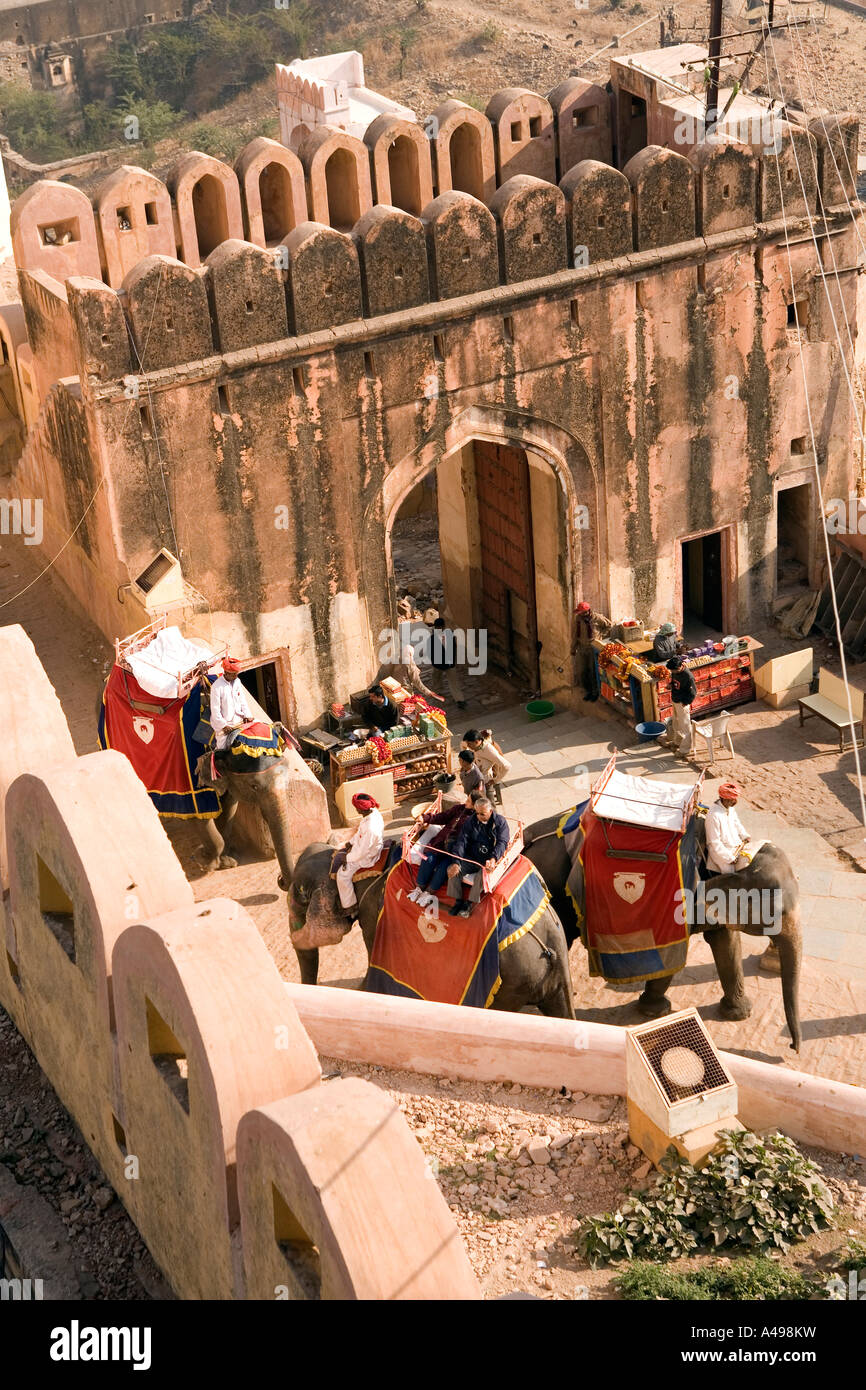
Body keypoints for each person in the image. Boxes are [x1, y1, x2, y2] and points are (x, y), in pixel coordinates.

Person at [408, 788, 485, 904]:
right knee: (428, 859)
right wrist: (426, 818)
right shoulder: (459, 809)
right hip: (440, 843)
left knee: (443, 868)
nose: (466, 802)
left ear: (475, 806)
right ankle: (419, 888)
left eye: (469, 801)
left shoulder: (478, 821)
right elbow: (443, 816)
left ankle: (429, 892)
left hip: (455, 851)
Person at [445, 797, 510, 916]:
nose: (479, 816)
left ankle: (469, 903)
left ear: (490, 811)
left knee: (482, 876)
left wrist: (493, 858)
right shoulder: (471, 821)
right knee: (454, 870)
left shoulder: (500, 822)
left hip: (488, 861)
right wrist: (456, 861)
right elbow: (461, 841)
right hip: (472, 857)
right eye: (477, 813)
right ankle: (458, 901)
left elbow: (502, 842)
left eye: (482, 814)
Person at [334, 792, 385, 917]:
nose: (356, 810)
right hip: (363, 846)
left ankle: (350, 906)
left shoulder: (371, 827)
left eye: (357, 808)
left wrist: (346, 857)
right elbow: (360, 833)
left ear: (361, 809)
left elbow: (362, 852)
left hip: (368, 856)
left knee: (342, 875)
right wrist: (350, 843)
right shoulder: (372, 813)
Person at [704, 782, 750, 875]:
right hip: (720, 851)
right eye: (732, 800)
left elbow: (737, 823)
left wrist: (745, 835)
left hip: (735, 845)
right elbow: (714, 842)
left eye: (735, 799)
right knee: (730, 873)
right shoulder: (713, 815)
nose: (734, 802)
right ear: (724, 798)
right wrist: (728, 858)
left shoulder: (730, 808)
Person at [209, 656, 253, 750]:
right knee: (222, 750)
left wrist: (247, 715)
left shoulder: (237, 681)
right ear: (226, 673)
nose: (235, 676)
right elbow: (215, 710)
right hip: (226, 724)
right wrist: (223, 725)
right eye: (233, 674)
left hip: (240, 720)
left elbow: (242, 700)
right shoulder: (216, 687)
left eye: (236, 674)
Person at [462, 728, 511, 805]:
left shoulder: (489, 750)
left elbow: (507, 766)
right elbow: (463, 744)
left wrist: (495, 780)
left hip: (486, 782)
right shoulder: (474, 745)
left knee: (489, 806)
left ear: (477, 741)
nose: (468, 746)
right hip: (474, 779)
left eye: (469, 744)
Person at [429, 615, 466, 709]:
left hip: (445, 663)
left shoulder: (443, 636)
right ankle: (440, 692)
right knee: (439, 678)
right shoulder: (437, 637)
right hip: (442, 663)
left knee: (451, 681)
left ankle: (459, 699)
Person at [667, 655, 697, 759]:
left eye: (674, 670)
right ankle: (677, 742)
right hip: (675, 700)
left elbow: (693, 693)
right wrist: (671, 684)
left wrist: (685, 702)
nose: (673, 672)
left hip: (682, 702)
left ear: (680, 667)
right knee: (676, 722)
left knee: (685, 727)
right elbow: (673, 679)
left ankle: (685, 750)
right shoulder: (675, 671)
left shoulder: (688, 676)